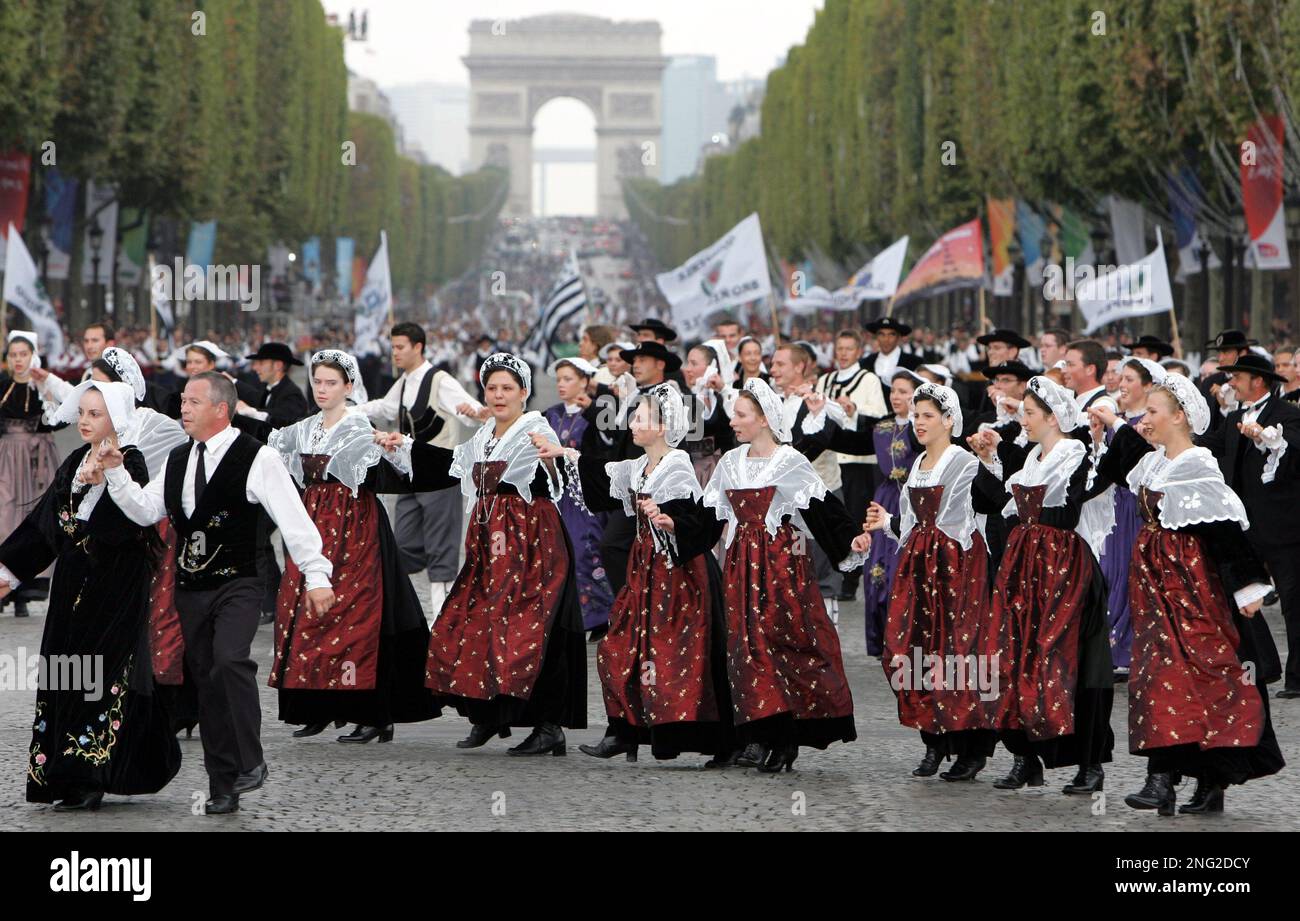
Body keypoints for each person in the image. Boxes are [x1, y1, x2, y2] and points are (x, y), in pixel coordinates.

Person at [102, 371, 337, 815]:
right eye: (183, 402)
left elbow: (293, 520)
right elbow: (146, 510)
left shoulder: (257, 457)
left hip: (240, 581)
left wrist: (317, 575)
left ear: (220, 409)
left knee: (231, 659)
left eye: (192, 402)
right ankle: (222, 783)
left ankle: (252, 760)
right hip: (191, 587)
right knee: (207, 681)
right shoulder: (176, 459)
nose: (183, 409)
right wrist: (116, 474)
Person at [1091, 377, 1285, 814]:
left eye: (1154, 412)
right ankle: (1170, 777)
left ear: (1179, 417)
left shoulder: (1197, 464)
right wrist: (1113, 422)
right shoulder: (1159, 462)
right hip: (1158, 593)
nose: (1147, 420)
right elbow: (1130, 461)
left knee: (1198, 679)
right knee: (1159, 676)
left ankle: (1187, 778)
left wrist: (1249, 591)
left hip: (1193, 594)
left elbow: (1227, 536)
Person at [0, 381, 181, 811]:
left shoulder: (131, 461)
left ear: (116, 419)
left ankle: (87, 774)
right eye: (82, 412)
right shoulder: (74, 462)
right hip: (71, 587)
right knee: (65, 671)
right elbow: (45, 523)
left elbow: (126, 526)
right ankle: (62, 772)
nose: (84, 421)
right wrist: (7, 574)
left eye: (95, 414)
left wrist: (108, 480)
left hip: (114, 587)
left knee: (98, 674)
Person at [538, 383, 734, 763]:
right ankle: (624, 731)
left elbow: (697, 520)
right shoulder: (639, 466)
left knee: (677, 657)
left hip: (679, 573)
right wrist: (561, 453)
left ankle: (710, 739)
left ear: (662, 426)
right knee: (621, 646)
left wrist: (671, 521)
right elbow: (601, 472)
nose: (632, 423)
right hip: (644, 569)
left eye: (641, 417)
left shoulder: (676, 466)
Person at [268, 350, 442, 743]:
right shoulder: (303, 429)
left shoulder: (360, 427)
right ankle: (318, 705)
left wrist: (391, 447)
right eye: (318, 382)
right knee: (304, 607)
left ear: (349, 387)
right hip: (312, 524)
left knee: (355, 614)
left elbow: (394, 468)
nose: (323, 389)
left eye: (331, 383)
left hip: (354, 526)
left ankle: (373, 713)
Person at [425, 353, 586, 756]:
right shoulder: (482, 437)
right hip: (487, 544)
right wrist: (406, 445)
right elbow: (450, 467)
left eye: (507, 388)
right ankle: (487, 715)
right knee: (475, 621)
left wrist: (555, 458)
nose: (499, 395)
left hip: (532, 542)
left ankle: (548, 726)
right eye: (492, 388)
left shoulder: (535, 428)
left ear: (524, 393)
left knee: (531, 630)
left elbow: (557, 474)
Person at [701, 379, 862, 772]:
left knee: (781, 641)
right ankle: (758, 733)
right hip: (740, 563)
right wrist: (677, 532)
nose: (733, 421)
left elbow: (821, 508)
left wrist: (850, 541)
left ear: (762, 419)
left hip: (780, 564)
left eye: (741, 415)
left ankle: (786, 736)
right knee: (745, 646)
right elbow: (710, 516)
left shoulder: (788, 461)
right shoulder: (731, 462)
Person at [970, 375, 1115, 794]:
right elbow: (1001, 507)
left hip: (1068, 570)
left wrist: (1031, 516)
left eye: (1030, 414)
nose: (1024, 421)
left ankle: (1089, 763)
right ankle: (1024, 756)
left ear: (1053, 417)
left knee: (1077, 662)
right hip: (1024, 570)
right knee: (1015, 659)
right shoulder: (1032, 457)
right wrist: (989, 464)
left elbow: (1067, 514)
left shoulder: (1075, 456)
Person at [862, 383, 997, 781]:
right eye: (916, 416)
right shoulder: (918, 464)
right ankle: (933, 740)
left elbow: (990, 503)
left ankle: (971, 748)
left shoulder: (963, 462)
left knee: (959, 653)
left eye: (927, 416)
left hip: (958, 568)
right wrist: (886, 523)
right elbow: (911, 522)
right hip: (918, 568)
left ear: (948, 421)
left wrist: (988, 460)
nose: (919, 422)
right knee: (914, 648)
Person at [354, 322, 488, 623]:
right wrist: (348, 411)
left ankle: (442, 620)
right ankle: (403, 612)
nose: (395, 353)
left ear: (418, 347)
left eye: (400, 347)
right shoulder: (402, 384)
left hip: (440, 476)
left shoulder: (440, 380)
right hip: (410, 477)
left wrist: (476, 412)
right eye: (393, 347)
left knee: (442, 550)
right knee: (402, 545)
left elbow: (471, 411)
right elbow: (385, 409)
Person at [1199, 352, 1300, 699]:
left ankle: (1297, 678)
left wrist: (1266, 437)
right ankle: (1262, 666)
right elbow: (1210, 446)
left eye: (1236, 377)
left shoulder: (1289, 414)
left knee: (1293, 601)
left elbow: (1292, 456)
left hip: (1285, 527)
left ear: (1257, 380)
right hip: (1244, 527)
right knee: (1242, 596)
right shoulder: (1234, 418)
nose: (1231, 384)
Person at [833, 369, 922, 655]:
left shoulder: (923, 429)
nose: (897, 396)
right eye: (893, 391)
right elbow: (849, 442)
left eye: (904, 391)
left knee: (903, 569)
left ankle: (909, 637)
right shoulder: (882, 428)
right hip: (885, 498)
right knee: (877, 571)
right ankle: (882, 639)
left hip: (915, 500)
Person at [1091, 356, 1164, 678]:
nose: (1122, 383)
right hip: (1116, 504)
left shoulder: (1147, 424)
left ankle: (1131, 648)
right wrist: (1097, 439)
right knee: (1112, 571)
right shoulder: (1116, 418)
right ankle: (1112, 644)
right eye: (1122, 377)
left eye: (1131, 378)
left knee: (1133, 572)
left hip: (1139, 504)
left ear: (1148, 386)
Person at [542, 356, 615, 635]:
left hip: (586, 493)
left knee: (587, 550)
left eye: (568, 379)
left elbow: (609, 447)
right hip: (558, 493)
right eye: (559, 379)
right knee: (558, 552)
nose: (562, 384)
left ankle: (601, 614)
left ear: (585, 381)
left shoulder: (597, 412)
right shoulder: (550, 415)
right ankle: (569, 614)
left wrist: (596, 411)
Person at [815, 330, 888, 601]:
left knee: (856, 516)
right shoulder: (826, 380)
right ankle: (833, 567)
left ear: (858, 352)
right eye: (840, 349)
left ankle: (850, 578)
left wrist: (854, 410)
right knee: (834, 515)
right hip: (830, 459)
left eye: (849, 349)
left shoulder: (869, 380)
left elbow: (880, 420)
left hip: (857, 461)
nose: (843, 354)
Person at [0, 331, 64, 616]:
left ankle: (24, 589)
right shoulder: (2, 385)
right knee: (4, 517)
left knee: (31, 518)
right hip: (6, 458)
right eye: (13, 354)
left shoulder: (42, 386)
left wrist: (47, 390)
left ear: (32, 355)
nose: (18, 360)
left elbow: (56, 420)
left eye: (23, 354)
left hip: (36, 459)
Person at [681, 339, 738, 486]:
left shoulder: (724, 398)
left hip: (724, 472)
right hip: (694, 473)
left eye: (694, 363)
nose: (688, 369)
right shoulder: (685, 398)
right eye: (688, 363)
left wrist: (721, 389)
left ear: (711, 367)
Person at [233, 341, 309, 442]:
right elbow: (252, 395)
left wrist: (251, 411)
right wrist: (232, 381)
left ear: (278, 365)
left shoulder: (292, 395)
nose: (255, 367)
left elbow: (283, 421)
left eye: (261, 363)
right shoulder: (268, 387)